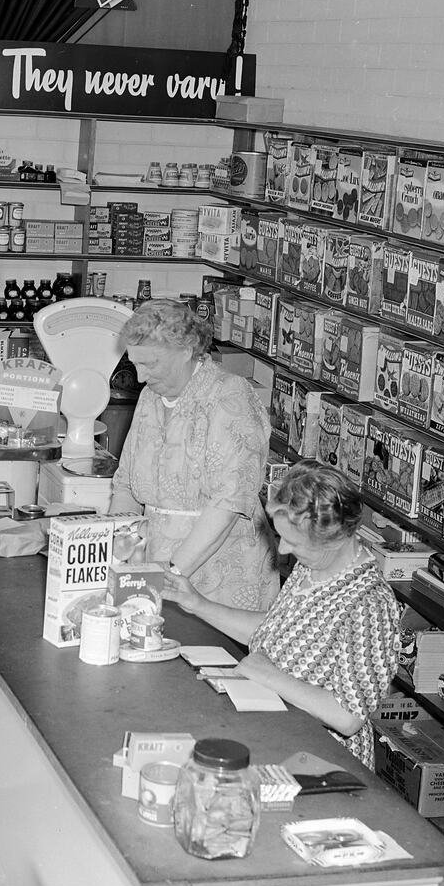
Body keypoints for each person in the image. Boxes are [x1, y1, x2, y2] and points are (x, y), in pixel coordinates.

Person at [166, 460, 401, 768]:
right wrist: (197, 604)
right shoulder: (313, 565)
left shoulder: (370, 604)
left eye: (294, 541)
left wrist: (267, 675)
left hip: (319, 760)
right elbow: (277, 631)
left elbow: (347, 717)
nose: (284, 550)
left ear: (336, 538)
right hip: (277, 732)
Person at [109, 299, 281, 611]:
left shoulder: (230, 397)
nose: (141, 377)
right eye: (135, 363)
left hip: (217, 578)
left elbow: (228, 505)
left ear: (186, 351)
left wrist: (168, 575)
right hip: (153, 569)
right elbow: (125, 485)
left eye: (151, 364)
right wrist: (118, 558)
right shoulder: (150, 397)